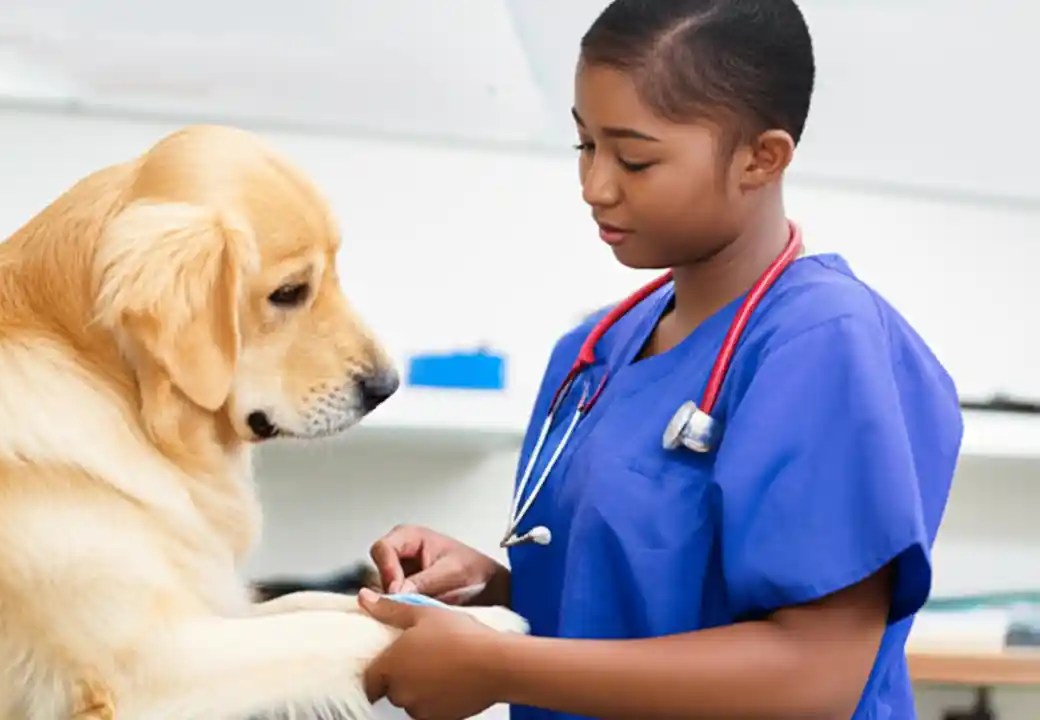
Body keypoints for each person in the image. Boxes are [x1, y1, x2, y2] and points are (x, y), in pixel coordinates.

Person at [355, 1, 964, 718]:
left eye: (635, 158)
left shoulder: (821, 344)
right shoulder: (593, 353)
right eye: (584, 146)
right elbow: (650, 607)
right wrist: (491, 588)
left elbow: (814, 675)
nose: (595, 186)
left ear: (760, 158)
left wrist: (499, 664)